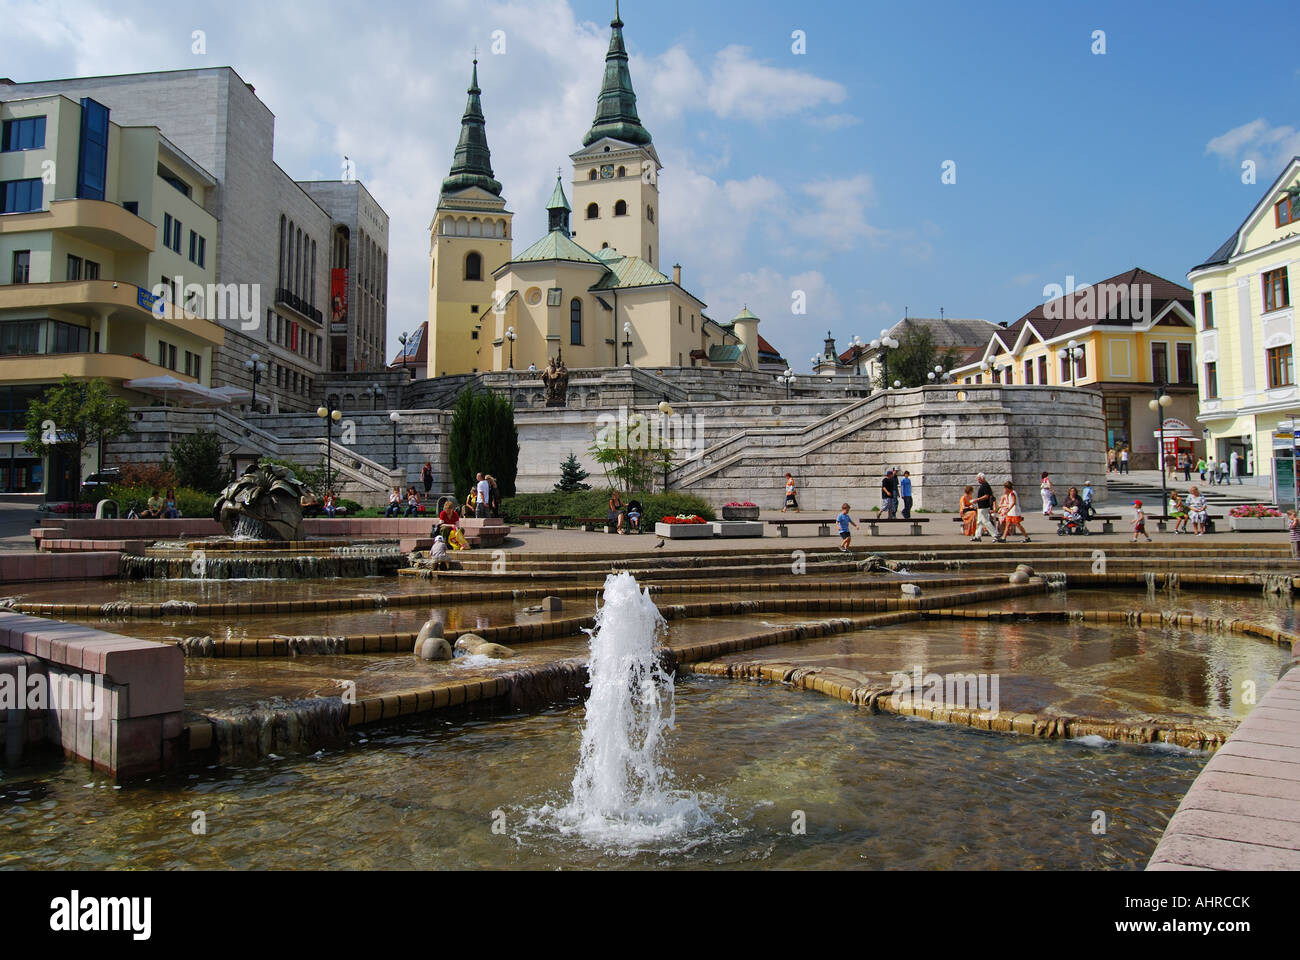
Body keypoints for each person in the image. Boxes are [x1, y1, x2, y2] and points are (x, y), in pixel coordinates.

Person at [971, 473, 999, 542]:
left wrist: (977, 500)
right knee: (979, 522)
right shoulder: (983, 485)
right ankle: (977, 536)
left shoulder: (985, 485)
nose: (978, 480)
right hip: (981, 507)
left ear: (982, 478)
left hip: (984, 507)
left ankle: (996, 535)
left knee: (986, 521)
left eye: (979, 479)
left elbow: (986, 496)